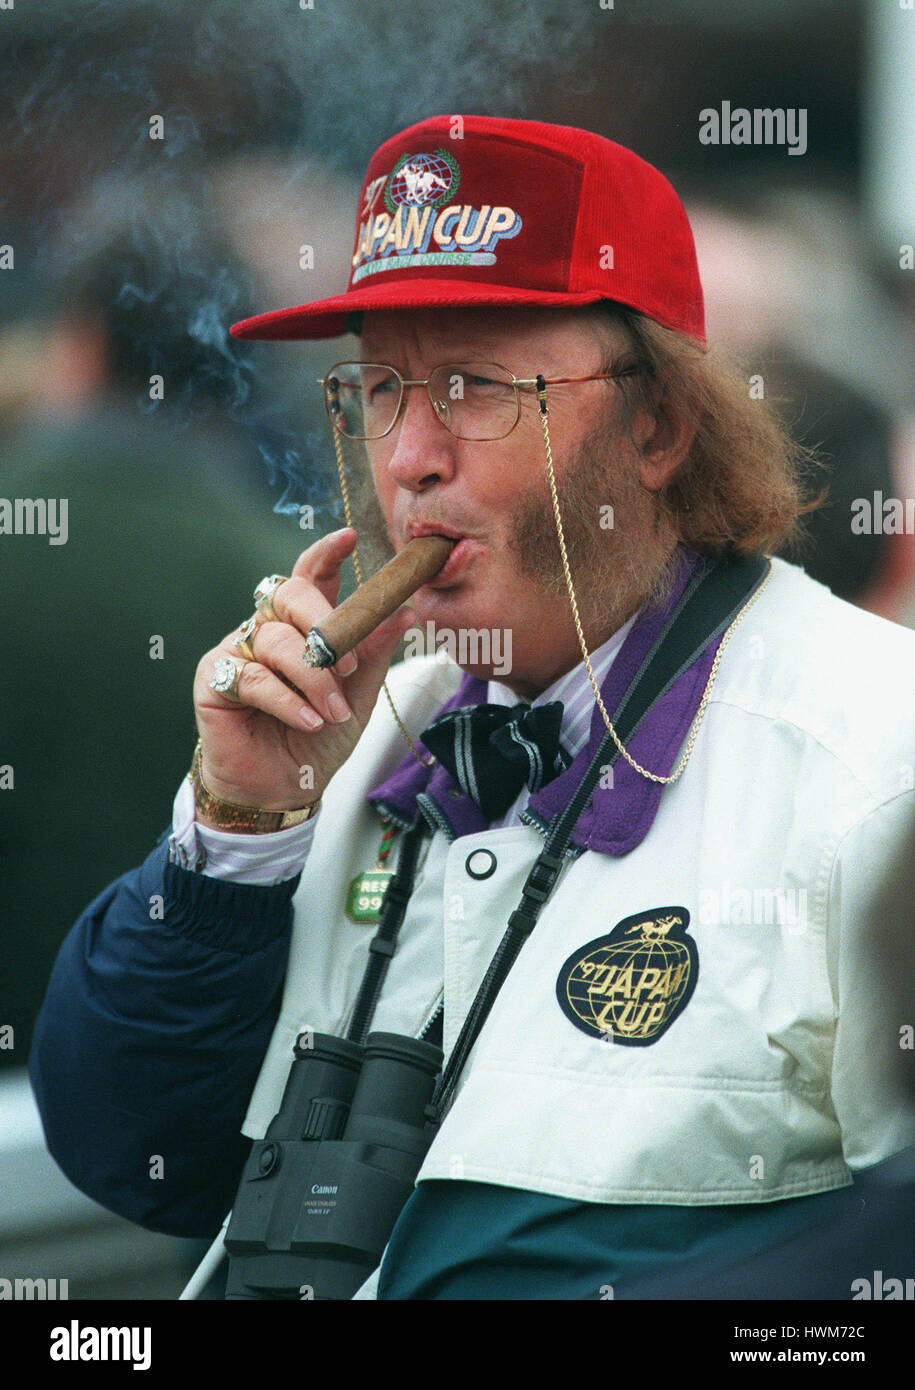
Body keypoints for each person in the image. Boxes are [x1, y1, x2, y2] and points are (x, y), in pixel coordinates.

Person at [30, 115, 915, 1300]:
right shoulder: (345, 736)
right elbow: (135, 1155)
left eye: (475, 386)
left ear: (659, 426)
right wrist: (235, 831)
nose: (409, 457)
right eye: (383, 387)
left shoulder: (873, 759)